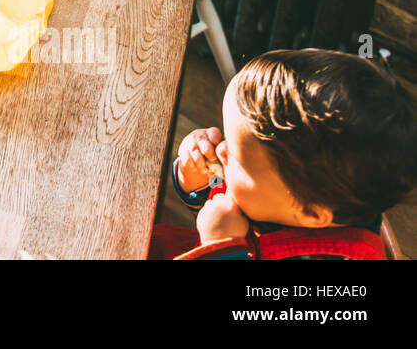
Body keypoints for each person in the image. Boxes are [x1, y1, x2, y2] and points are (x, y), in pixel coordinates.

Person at [153, 49, 417, 260]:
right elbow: (221, 199)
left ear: (311, 215)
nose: (221, 150)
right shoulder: (288, 193)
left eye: (236, 154)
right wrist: (193, 177)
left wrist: (221, 248)